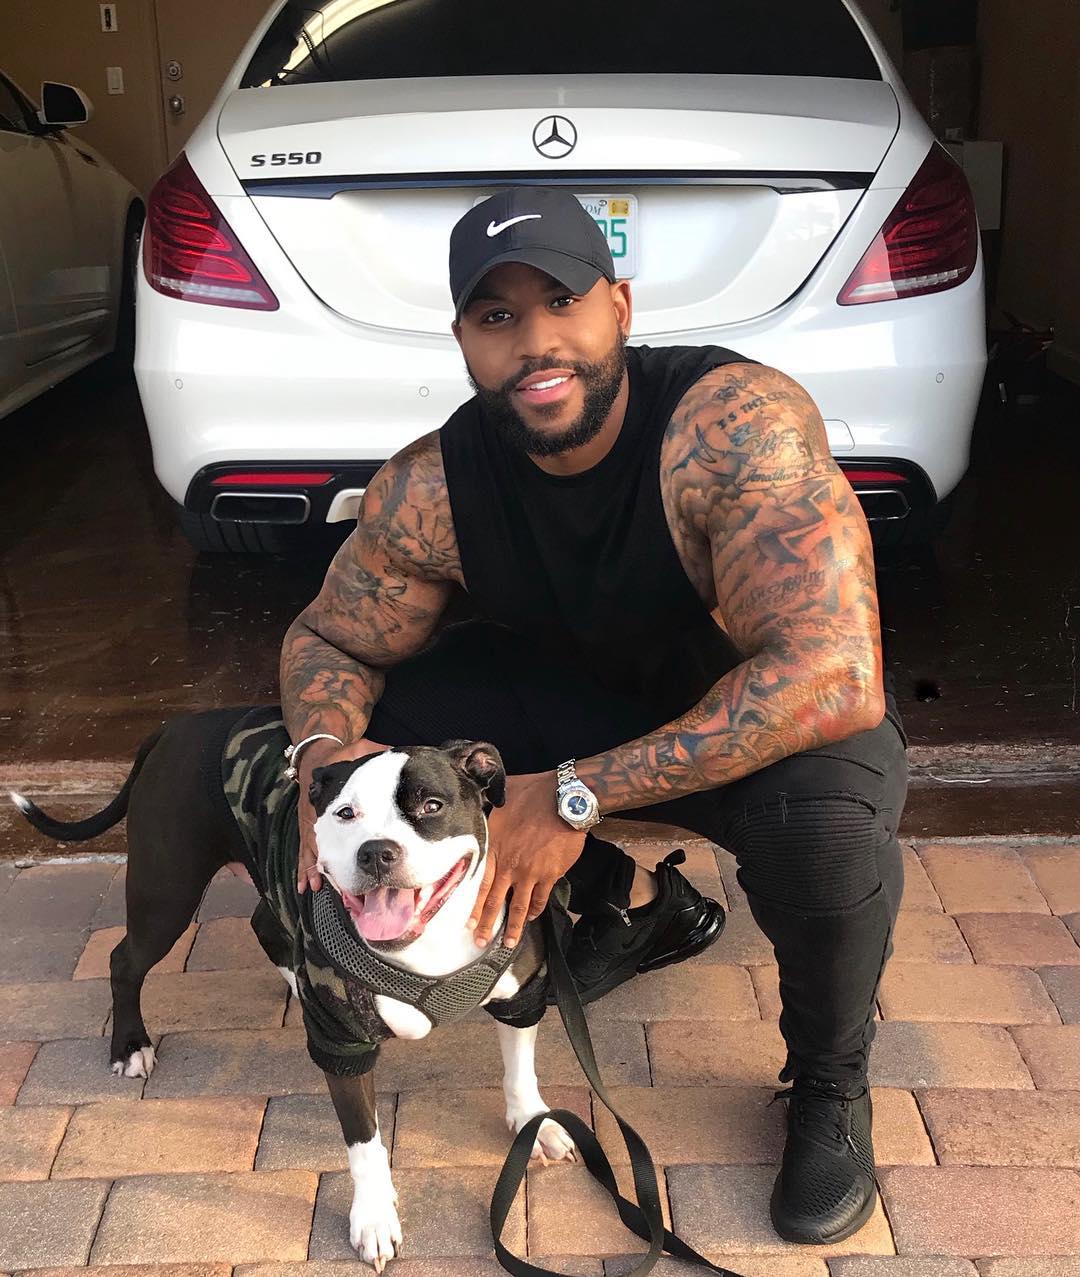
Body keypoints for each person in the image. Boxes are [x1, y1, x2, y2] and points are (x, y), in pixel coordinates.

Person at [279, 186, 907, 1246]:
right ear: (464, 342)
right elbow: (329, 639)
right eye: (496, 317)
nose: (535, 342)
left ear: (619, 304)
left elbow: (834, 670)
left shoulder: (729, 422)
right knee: (402, 730)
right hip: (571, 701)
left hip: (748, 719)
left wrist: (572, 796)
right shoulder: (434, 483)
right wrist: (322, 762)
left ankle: (831, 1082)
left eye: (560, 299)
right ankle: (629, 903)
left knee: (826, 830)